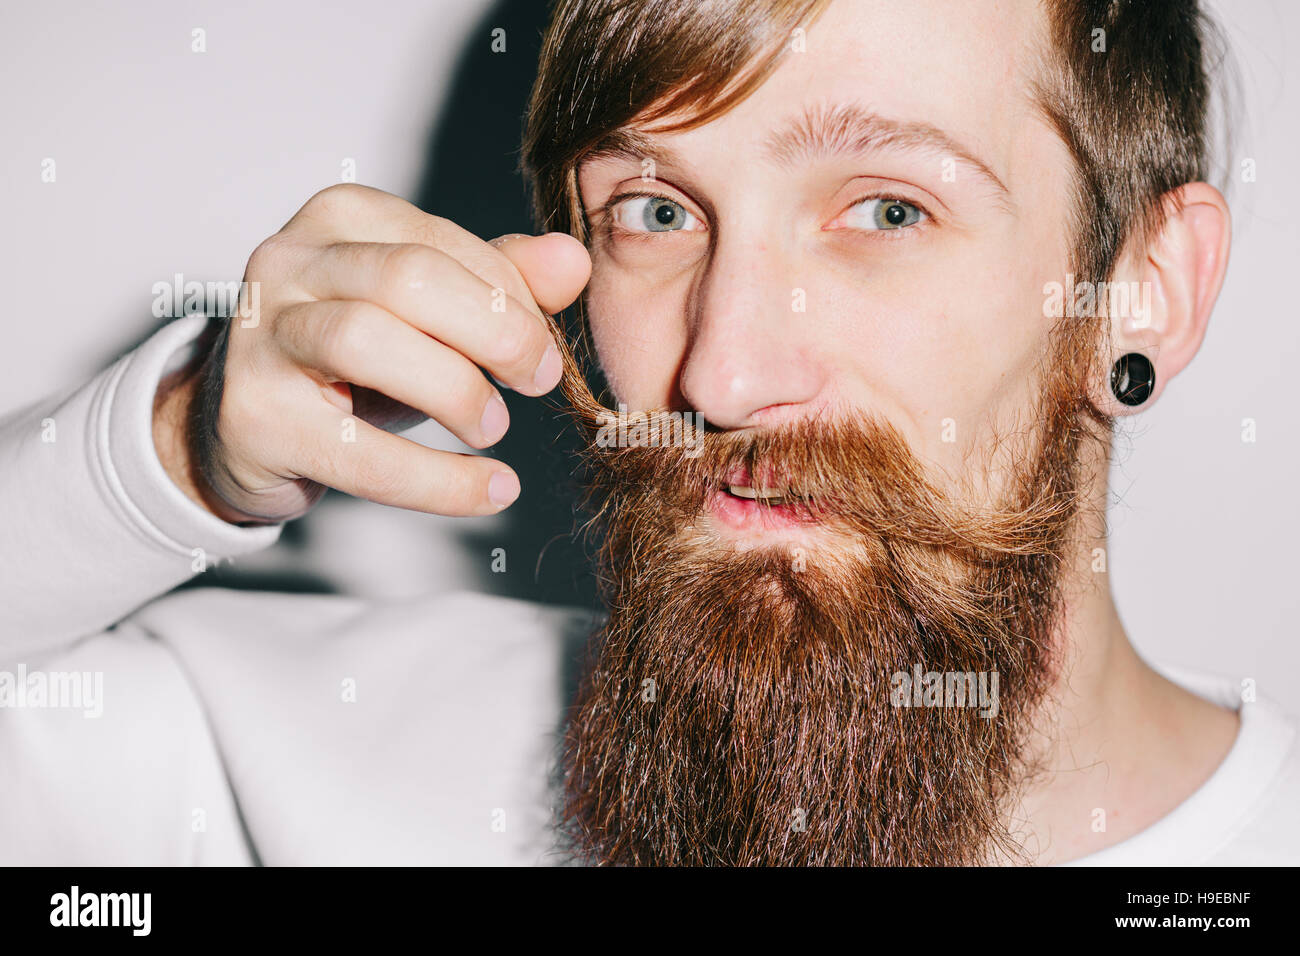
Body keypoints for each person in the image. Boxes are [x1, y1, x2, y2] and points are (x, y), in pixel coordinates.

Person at [1, 0, 1296, 865]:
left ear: (1145, 289)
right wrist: (170, 452)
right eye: (656, 213)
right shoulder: (330, 755)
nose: (722, 373)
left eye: (889, 211)